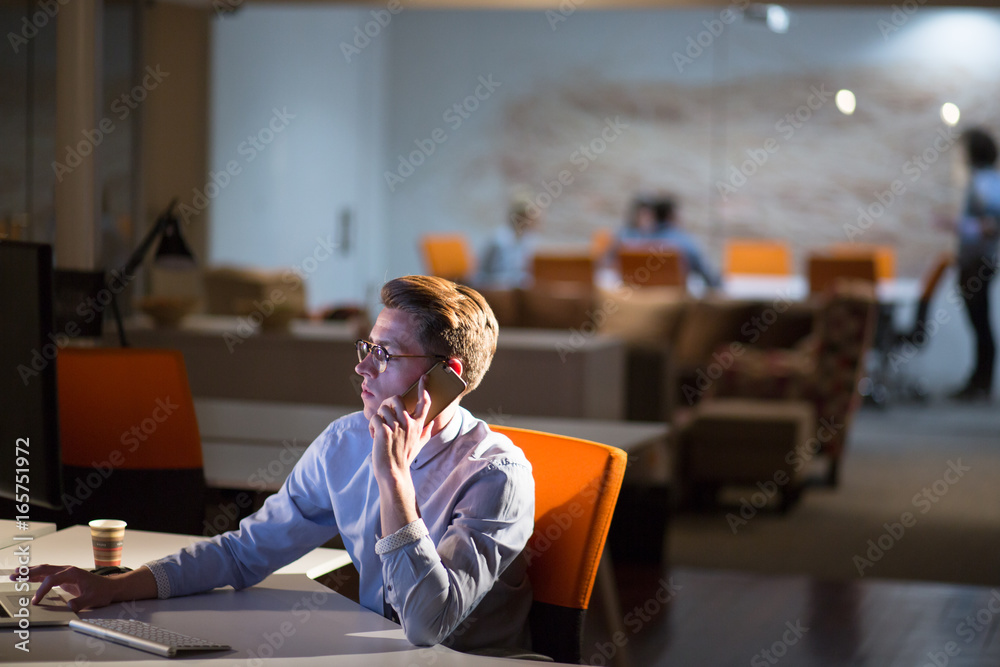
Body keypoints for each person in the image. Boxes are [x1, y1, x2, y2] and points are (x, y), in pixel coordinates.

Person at [16, 276, 535, 652]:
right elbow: (246, 552)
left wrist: (394, 479)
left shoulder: (496, 477)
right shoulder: (347, 442)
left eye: (386, 354)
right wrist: (118, 585)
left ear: (446, 377)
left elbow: (427, 625)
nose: (362, 366)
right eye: (366, 347)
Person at [949, 128, 1000, 400]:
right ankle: (979, 380)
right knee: (980, 324)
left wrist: (960, 226)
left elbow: (992, 224)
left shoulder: (983, 182)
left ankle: (981, 382)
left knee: (980, 324)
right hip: (980, 262)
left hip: (978, 263)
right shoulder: (987, 180)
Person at [614, 195, 721, 288]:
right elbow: (708, 276)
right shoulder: (685, 242)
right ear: (671, 216)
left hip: (638, 305)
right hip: (675, 307)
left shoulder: (637, 243)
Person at [477, 194, 541, 289]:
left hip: (513, 285)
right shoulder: (498, 240)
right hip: (493, 285)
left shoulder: (527, 240)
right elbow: (488, 273)